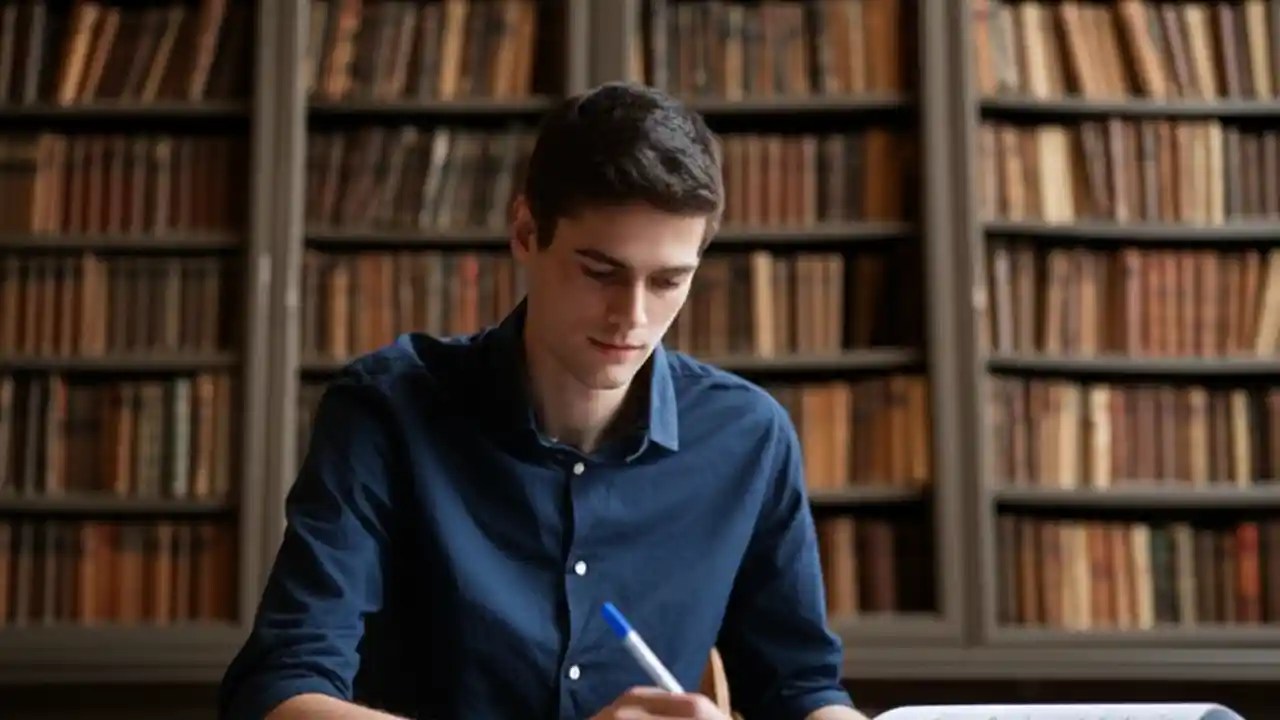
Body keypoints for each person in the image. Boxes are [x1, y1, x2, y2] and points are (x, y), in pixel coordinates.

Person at [218, 81, 869, 720]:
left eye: (670, 281)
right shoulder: (388, 410)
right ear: (527, 231)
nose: (632, 318)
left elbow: (799, 690)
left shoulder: (748, 437)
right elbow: (279, 693)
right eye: (600, 271)